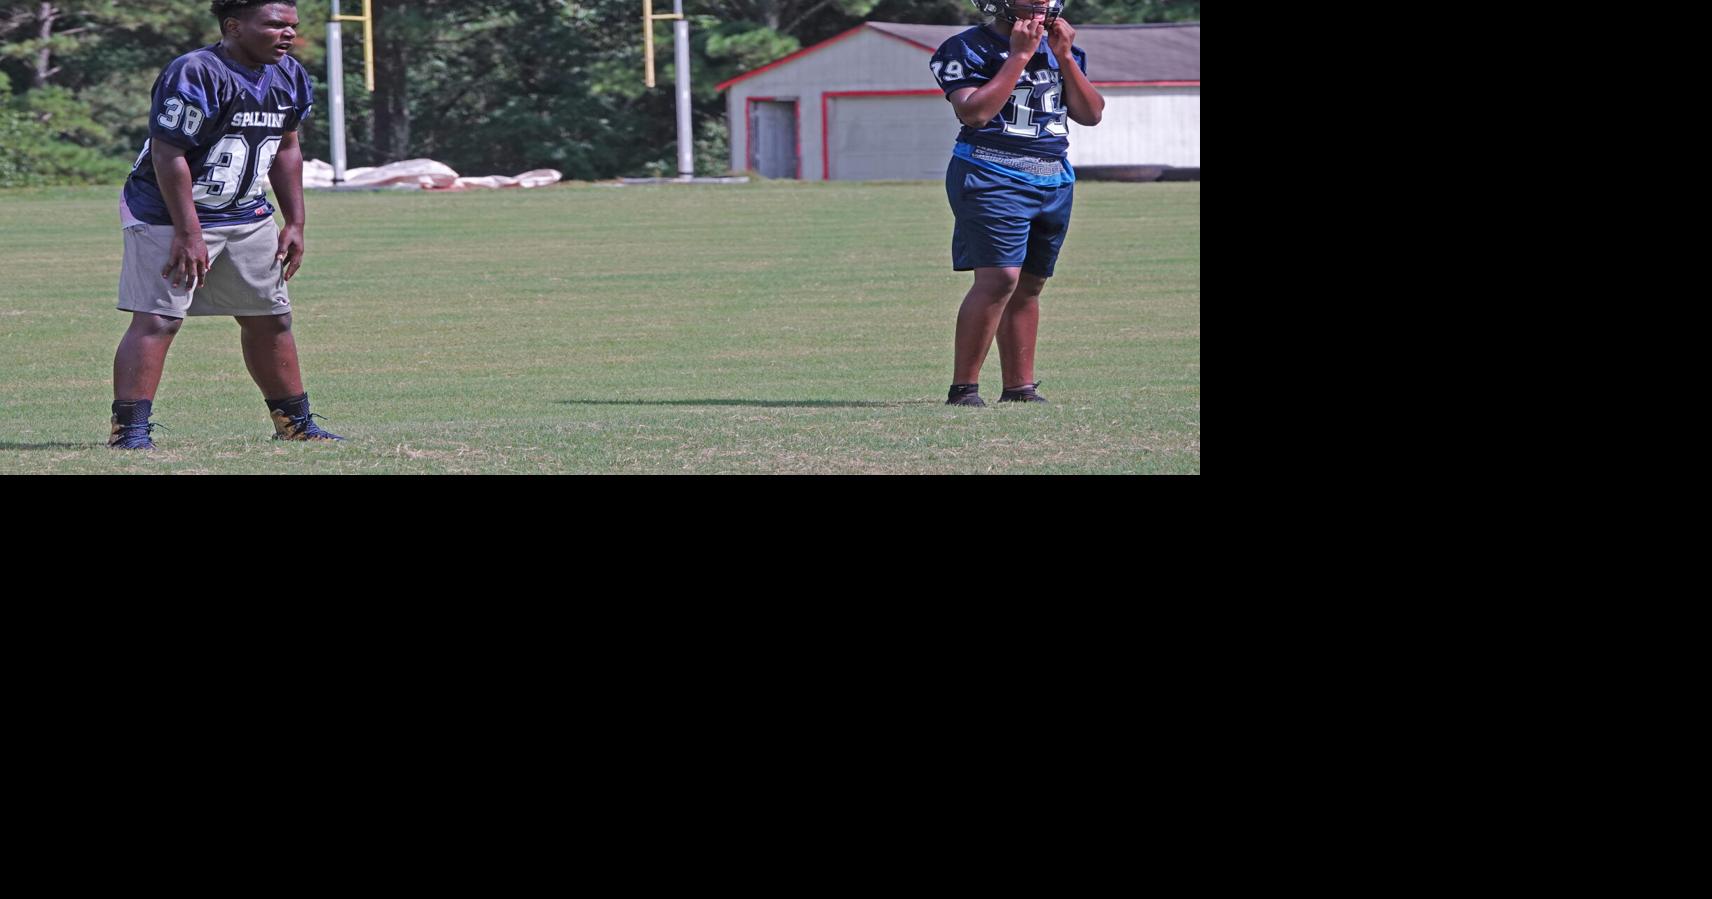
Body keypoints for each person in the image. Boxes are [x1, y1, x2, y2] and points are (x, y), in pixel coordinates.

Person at [108, 0, 341, 449]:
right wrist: (189, 232)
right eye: (274, 25)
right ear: (234, 26)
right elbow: (167, 152)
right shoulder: (196, 71)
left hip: (245, 210)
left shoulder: (288, 73)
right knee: (159, 318)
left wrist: (296, 221)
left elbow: (286, 145)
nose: (288, 34)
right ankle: (129, 433)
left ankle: (294, 425)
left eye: (292, 25)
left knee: (271, 318)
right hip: (168, 213)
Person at [930, 0, 1105, 406]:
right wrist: (1021, 54)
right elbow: (974, 113)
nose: (1041, 0)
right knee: (1000, 278)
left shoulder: (1064, 46)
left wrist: (1063, 55)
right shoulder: (965, 47)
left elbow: (1091, 114)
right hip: (991, 171)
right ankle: (964, 389)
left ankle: (1019, 388)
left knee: (1030, 283)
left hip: (1052, 174)